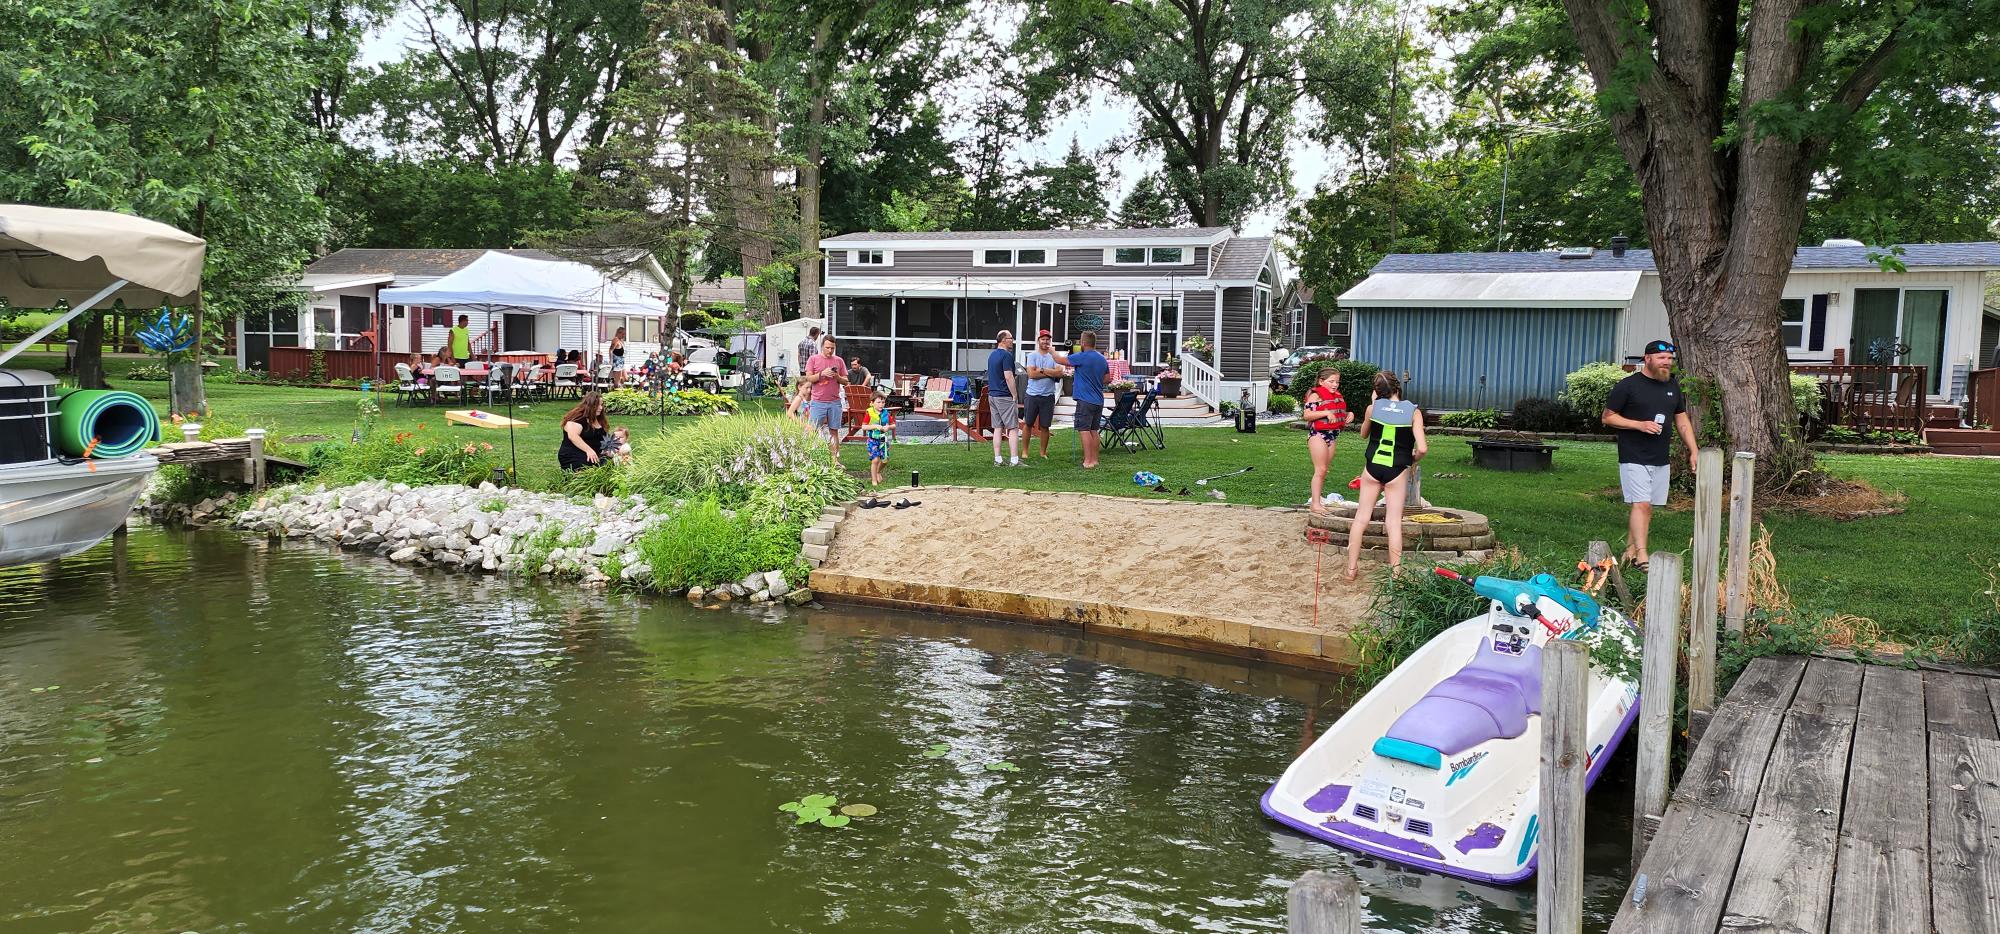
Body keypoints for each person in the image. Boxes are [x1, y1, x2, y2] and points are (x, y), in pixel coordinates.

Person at [1603, 339, 1699, 570]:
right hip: (1633, 455)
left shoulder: (1672, 386)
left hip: (1660, 458)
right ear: (1647, 359)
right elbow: (1607, 417)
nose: (1666, 363)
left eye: (1669, 359)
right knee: (1642, 505)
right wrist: (1639, 425)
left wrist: (1694, 450)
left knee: (1647, 508)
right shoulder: (1628, 386)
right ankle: (1641, 556)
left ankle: (1628, 551)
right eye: (1661, 358)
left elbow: (1682, 420)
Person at [1345, 371, 1427, 579]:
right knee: (1393, 522)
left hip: (1372, 468)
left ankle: (1351, 569)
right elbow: (1423, 449)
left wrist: (1374, 406)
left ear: (1377, 392)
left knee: (1361, 517)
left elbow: (1364, 434)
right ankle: (1396, 574)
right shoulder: (1413, 412)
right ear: (1398, 389)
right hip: (1397, 469)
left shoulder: (1373, 408)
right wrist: (1412, 459)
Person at [1301, 367, 1352, 514]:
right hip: (1318, 435)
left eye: (1337, 382)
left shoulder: (1335, 395)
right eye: (1331, 381)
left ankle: (1318, 499)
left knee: (1324, 471)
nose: (1335, 384)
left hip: (1332, 436)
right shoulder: (1316, 396)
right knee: (1320, 469)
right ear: (1321, 381)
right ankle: (1315, 504)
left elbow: (1338, 412)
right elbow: (1307, 415)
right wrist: (1326, 412)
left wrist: (1350, 415)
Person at [1061, 331, 1109, 469]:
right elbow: (1107, 379)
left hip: (1085, 400)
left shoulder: (1082, 357)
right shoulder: (1101, 358)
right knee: (1094, 430)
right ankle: (1094, 460)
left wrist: (1051, 351)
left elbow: (1062, 361)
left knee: (1084, 430)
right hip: (1098, 401)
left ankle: (1087, 461)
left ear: (1083, 343)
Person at [802, 335, 848, 464]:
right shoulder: (813, 359)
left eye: (832, 348)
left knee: (834, 430)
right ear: (822, 346)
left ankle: (834, 460)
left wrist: (837, 376)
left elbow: (846, 381)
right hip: (818, 401)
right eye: (827, 347)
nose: (830, 350)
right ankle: (810, 458)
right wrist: (822, 374)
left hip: (834, 402)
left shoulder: (839, 361)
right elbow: (809, 378)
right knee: (813, 430)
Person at [1022, 329, 1065, 459]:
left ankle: (1043, 453)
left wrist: (1041, 370)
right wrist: (1050, 372)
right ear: (1038, 341)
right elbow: (1031, 374)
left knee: (1045, 426)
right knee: (1028, 424)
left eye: (1047, 339)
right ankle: (1024, 452)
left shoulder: (1054, 356)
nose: (1045, 341)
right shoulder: (1032, 356)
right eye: (1043, 339)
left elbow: (1060, 373)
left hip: (1048, 396)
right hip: (1032, 395)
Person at [985, 329, 1023, 466]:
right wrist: (1014, 394)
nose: (1012, 340)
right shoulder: (1006, 356)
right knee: (1013, 427)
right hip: (1004, 396)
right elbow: (1008, 376)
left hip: (992, 395)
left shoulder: (992, 355)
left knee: (998, 428)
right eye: (1010, 338)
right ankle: (1014, 460)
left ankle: (998, 459)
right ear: (1003, 340)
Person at [558, 391, 610, 472]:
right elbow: (573, 436)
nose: (601, 408)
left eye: (601, 405)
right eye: (597, 405)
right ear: (589, 405)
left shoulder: (599, 420)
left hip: (594, 455)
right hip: (574, 455)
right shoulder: (577, 419)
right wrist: (589, 450)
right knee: (591, 468)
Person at [863, 388, 895, 487]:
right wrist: (874, 426)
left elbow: (893, 425)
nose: (881, 404)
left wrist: (888, 427)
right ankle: (874, 480)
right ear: (872, 403)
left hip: (883, 440)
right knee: (875, 460)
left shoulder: (886, 413)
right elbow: (863, 426)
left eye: (883, 402)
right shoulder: (869, 413)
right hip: (873, 440)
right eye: (878, 402)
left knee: (885, 460)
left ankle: (877, 472)